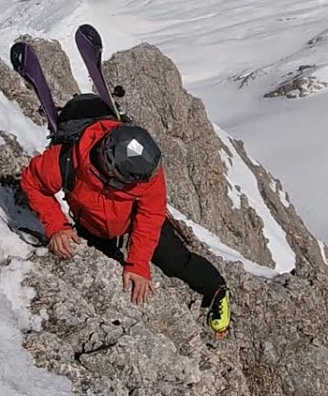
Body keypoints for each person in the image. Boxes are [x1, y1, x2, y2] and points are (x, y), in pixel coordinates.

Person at [19, 119, 231, 334]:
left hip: (132, 219)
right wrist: (57, 226)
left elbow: (150, 214)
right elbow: (32, 182)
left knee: (173, 261)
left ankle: (217, 289)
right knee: (106, 279)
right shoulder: (68, 159)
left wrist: (138, 263)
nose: (143, 183)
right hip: (92, 226)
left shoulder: (148, 172)